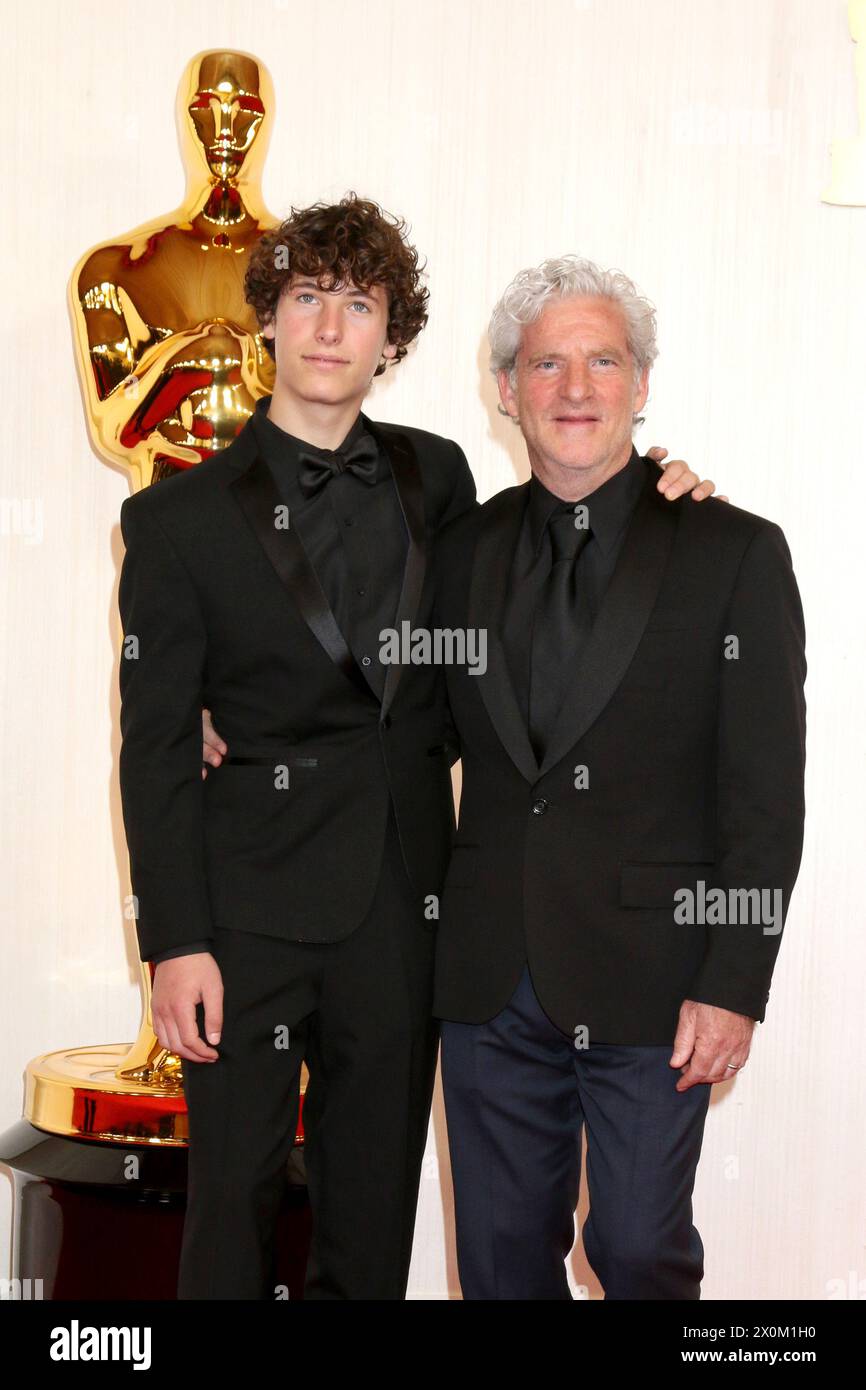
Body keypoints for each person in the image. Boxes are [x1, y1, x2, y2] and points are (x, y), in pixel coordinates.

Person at [121, 195, 716, 1300]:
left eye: (359, 304)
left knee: (372, 1208)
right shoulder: (176, 519)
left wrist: (663, 489)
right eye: (307, 298)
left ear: (390, 338)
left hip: (406, 908)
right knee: (230, 1212)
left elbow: (552, 554)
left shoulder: (437, 479)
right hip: (242, 916)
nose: (330, 327)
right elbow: (151, 747)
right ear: (268, 317)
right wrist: (175, 940)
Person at [431, 255, 807, 1300]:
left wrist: (732, 981)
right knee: (500, 1268)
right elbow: (405, 735)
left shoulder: (731, 551)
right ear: (505, 390)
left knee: (637, 1250)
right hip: (488, 977)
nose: (575, 388)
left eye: (602, 360)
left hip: (658, 978)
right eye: (544, 364)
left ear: (641, 384)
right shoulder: (459, 551)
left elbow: (765, 796)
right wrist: (228, 719)